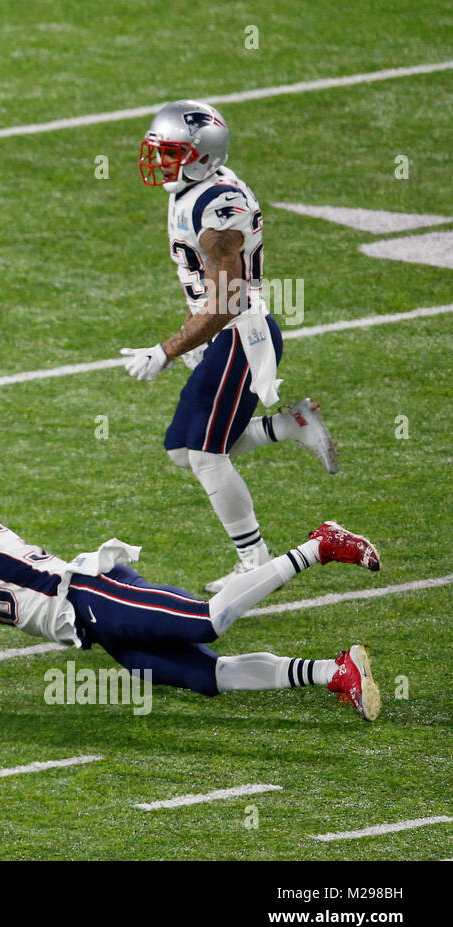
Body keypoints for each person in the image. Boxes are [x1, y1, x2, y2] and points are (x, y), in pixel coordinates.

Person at [0, 476, 382, 721]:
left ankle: (319, 546)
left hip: (97, 596)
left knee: (208, 621)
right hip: (97, 627)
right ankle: (337, 674)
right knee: (209, 678)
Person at [122, 99, 338, 593]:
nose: (160, 162)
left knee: (204, 453)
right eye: (159, 151)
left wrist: (168, 349)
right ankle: (289, 425)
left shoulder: (217, 207)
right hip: (221, 333)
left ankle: (255, 562)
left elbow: (228, 299)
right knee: (182, 449)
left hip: (240, 333)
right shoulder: (197, 190)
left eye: (172, 152)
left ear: (201, 155)